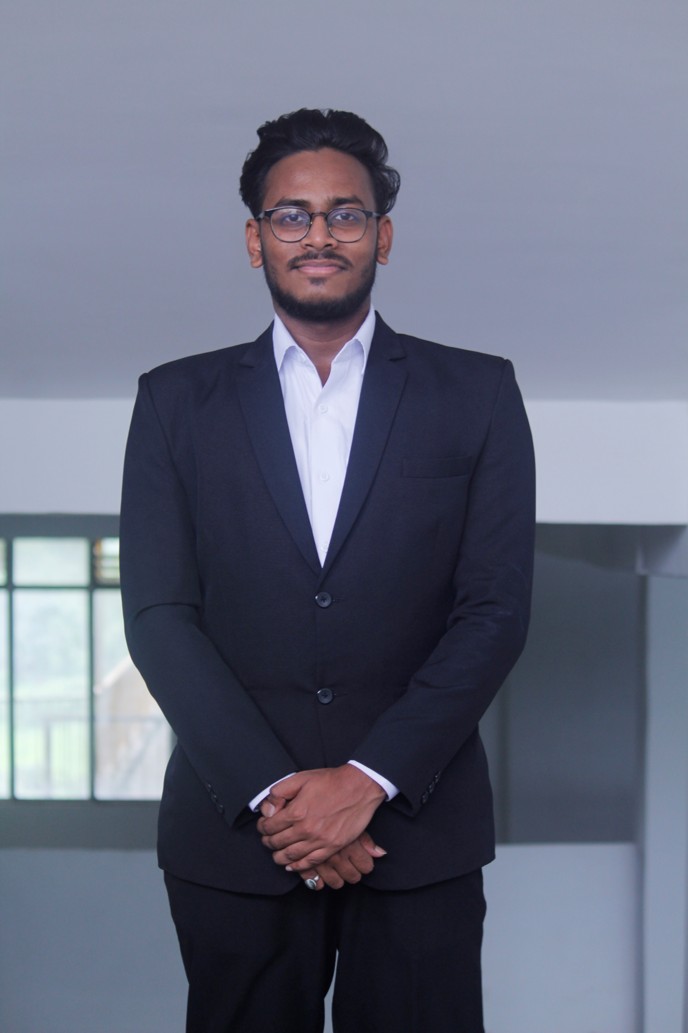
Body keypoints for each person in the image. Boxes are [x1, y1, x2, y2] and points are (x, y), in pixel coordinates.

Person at [120, 107, 535, 1033]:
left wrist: (368, 781)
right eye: (292, 215)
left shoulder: (477, 394)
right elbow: (158, 616)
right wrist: (283, 798)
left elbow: (495, 611)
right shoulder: (174, 402)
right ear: (255, 239)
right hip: (237, 835)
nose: (319, 235)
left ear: (382, 237)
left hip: (417, 830)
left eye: (345, 214)